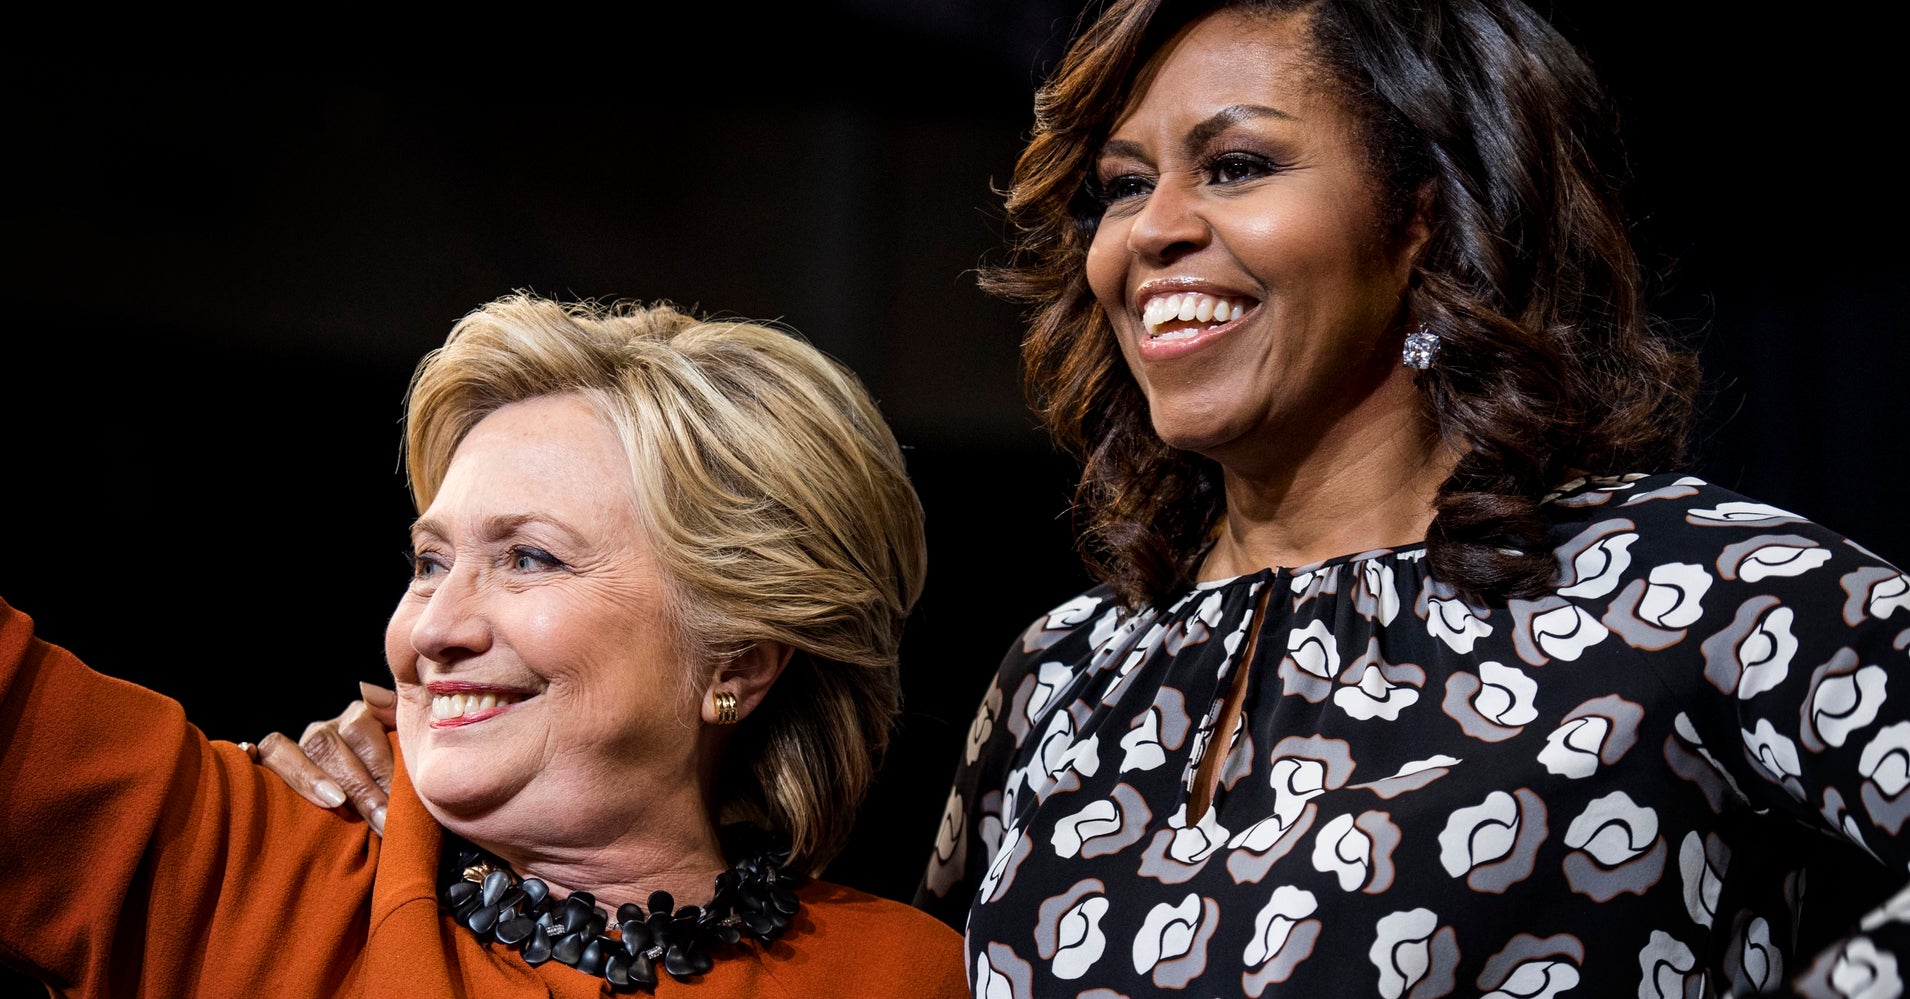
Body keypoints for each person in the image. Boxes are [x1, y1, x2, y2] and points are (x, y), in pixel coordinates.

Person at [265, 2, 1910, 996]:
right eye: (1124, 186)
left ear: (1429, 215)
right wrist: (420, 800)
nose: (1152, 233)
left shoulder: (1689, 589)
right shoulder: (1070, 676)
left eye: (1237, 163)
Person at [0, 293, 969, 997]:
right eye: (428, 563)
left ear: (737, 661)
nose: (433, 630)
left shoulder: (903, 976)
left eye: (530, 559)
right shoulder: (243, 871)